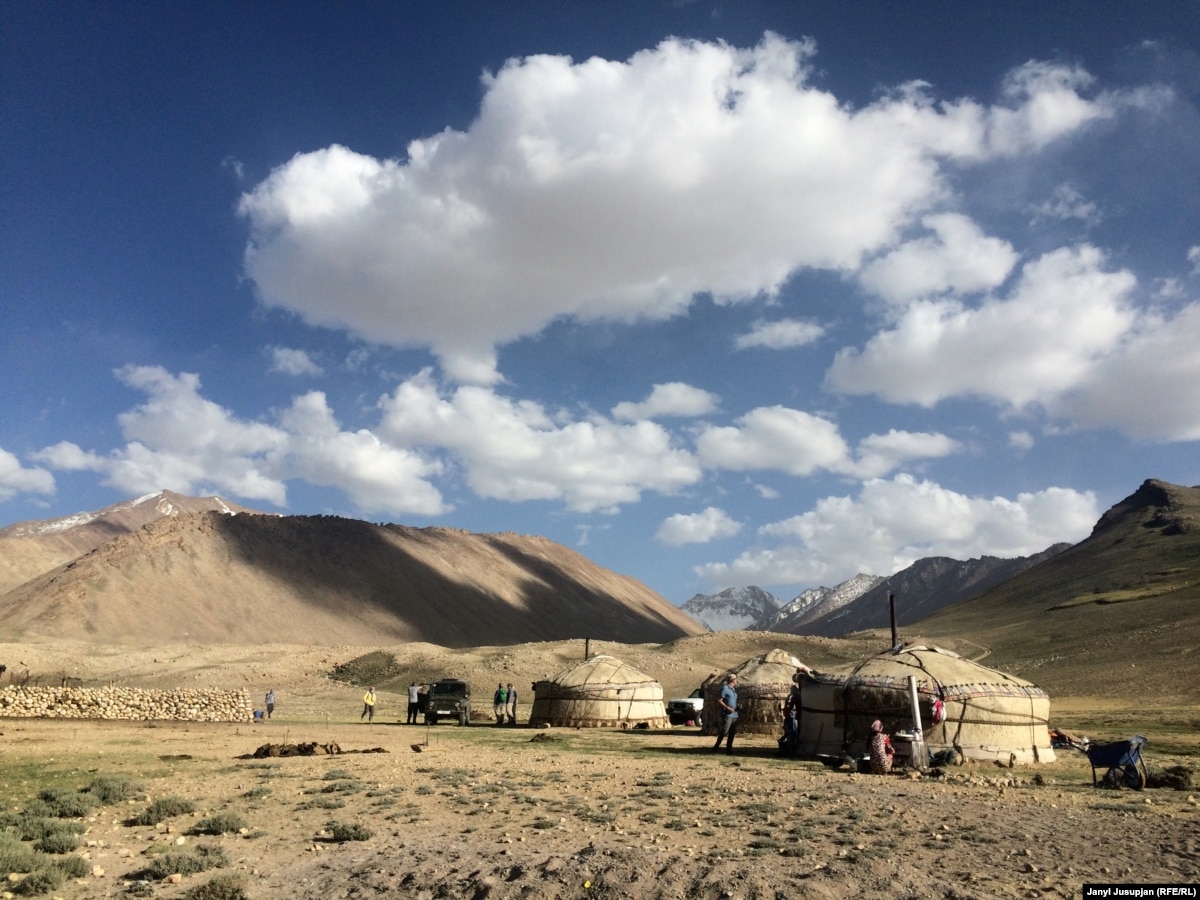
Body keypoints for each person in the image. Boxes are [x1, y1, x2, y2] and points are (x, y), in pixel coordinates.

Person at [713, 673, 739, 754]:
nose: (737, 681)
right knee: (725, 731)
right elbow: (719, 700)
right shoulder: (725, 688)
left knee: (732, 732)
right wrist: (727, 707)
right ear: (732, 680)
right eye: (736, 679)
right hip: (728, 714)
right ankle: (716, 746)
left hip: (735, 714)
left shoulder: (733, 690)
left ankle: (729, 749)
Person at [779, 683, 800, 757]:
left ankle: (790, 752)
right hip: (791, 717)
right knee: (791, 735)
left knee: (791, 735)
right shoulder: (793, 697)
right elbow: (789, 706)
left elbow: (790, 706)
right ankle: (790, 752)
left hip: (791, 717)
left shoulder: (793, 697)